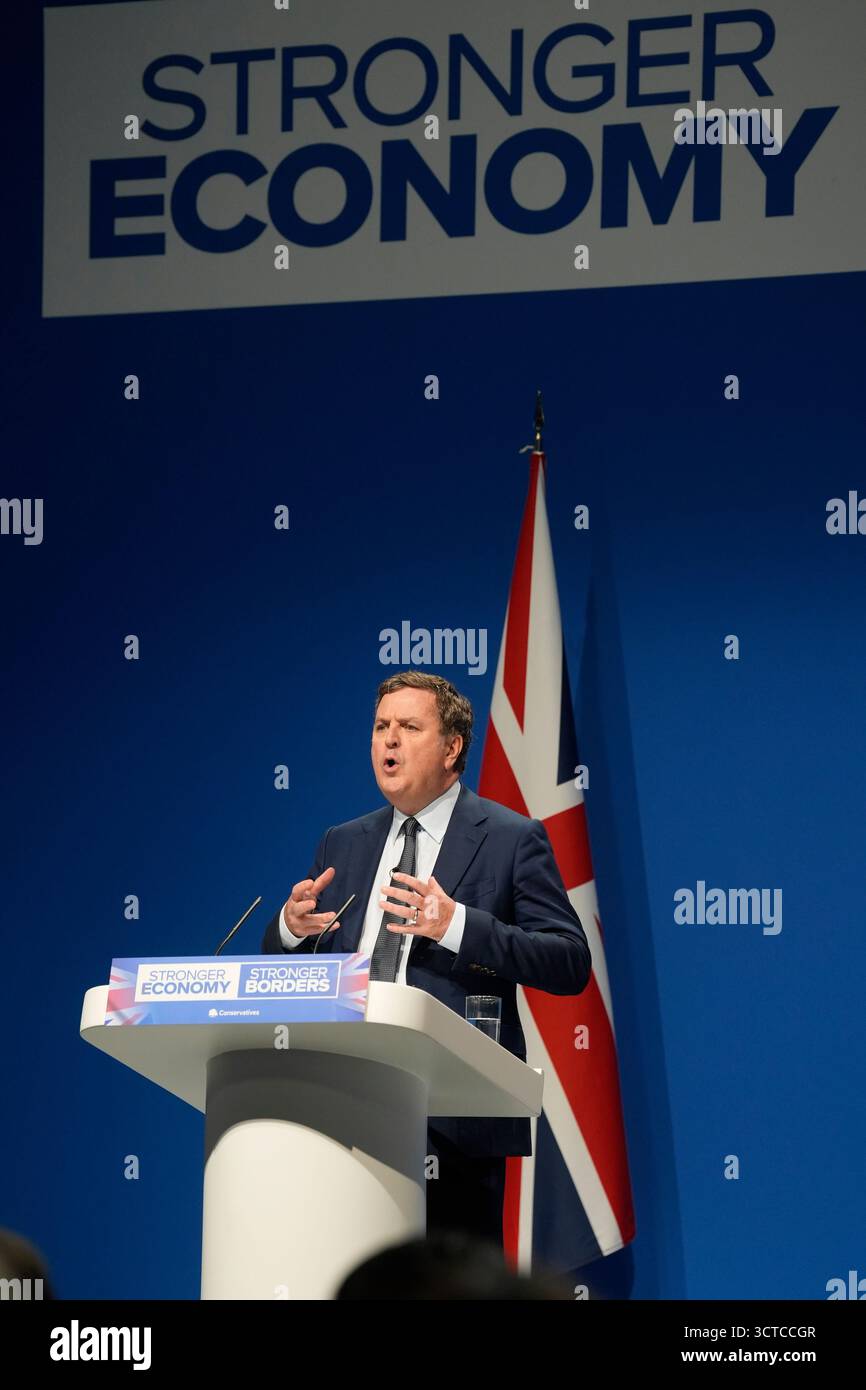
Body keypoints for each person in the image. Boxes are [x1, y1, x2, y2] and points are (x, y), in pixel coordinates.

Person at [261, 670, 591, 1247]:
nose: (389, 740)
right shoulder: (343, 842)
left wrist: (456, 924)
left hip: (454, 1118)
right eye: (381, 727)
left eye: (409, 727)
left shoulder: (511, 838)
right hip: (344, 1105)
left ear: (452, 747)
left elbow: (568, 961)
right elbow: (300, 967)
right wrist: (290, 931)